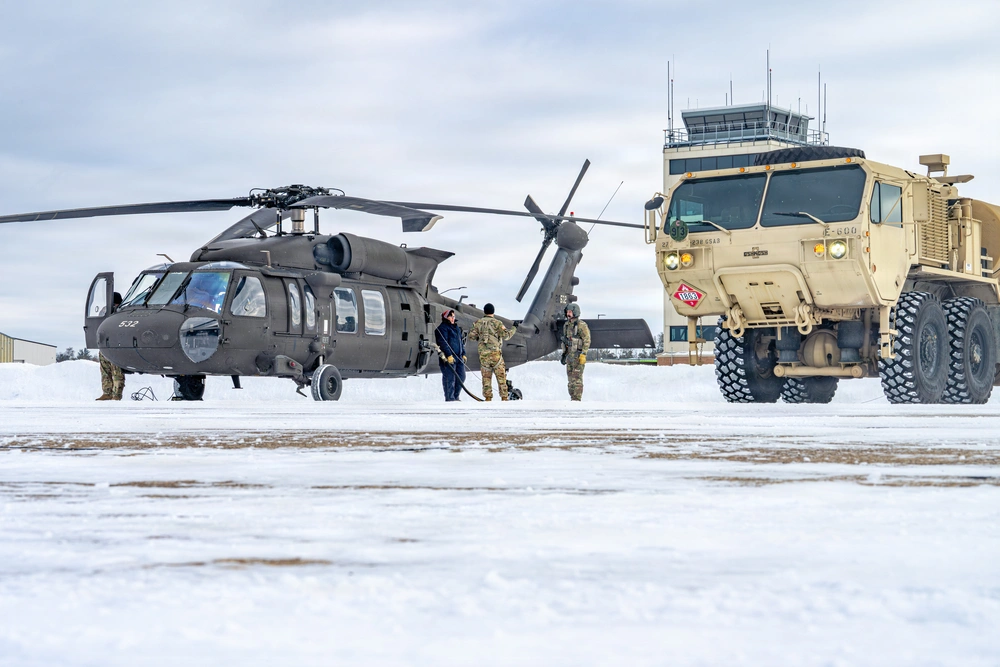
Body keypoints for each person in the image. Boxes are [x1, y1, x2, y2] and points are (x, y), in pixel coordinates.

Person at [468, 303, 517, 401]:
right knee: (501, 377)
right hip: (496, 355)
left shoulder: (478, 323)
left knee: (486, 378)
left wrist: (480, 338)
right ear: (493, 312)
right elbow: (506, 336)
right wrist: (514, 328)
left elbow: (471, 336)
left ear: (484, 311)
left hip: (483, 356)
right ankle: (504, 397)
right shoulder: (497, 323)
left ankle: (488, 398)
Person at [97, 292, 126, 401]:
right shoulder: (106, 311)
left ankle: (116, 394)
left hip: (116, 345)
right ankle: (107, 392)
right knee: (105, 369)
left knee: (116, 371)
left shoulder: (122, 311)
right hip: (105, 344)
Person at [561, 302, 590, 401]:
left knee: (577, 380)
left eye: (570, 312)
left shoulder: (581, 325)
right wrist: (564, 355)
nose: (568, 314)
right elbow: (566, 341)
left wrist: (583, 354)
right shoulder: (566, 325)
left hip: (577, 356)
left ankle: (577, 399)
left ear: (575, 312)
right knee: (570, 380)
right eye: (567, 312)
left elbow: (587, 340)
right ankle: (572, 398)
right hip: (569, 356)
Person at [434, 309, 466, 401]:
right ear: (446, 317)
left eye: (453, 316)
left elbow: (461, 342)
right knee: (450, 378)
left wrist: (463, 353)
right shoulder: (442, 329)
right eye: (451, 316)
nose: (453, 318)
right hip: (449, 358)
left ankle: (455, 396)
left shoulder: (456, 328)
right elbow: (443, 343)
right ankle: (450, 398)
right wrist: (448, 355)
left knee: (461, 377)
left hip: (458, 357)